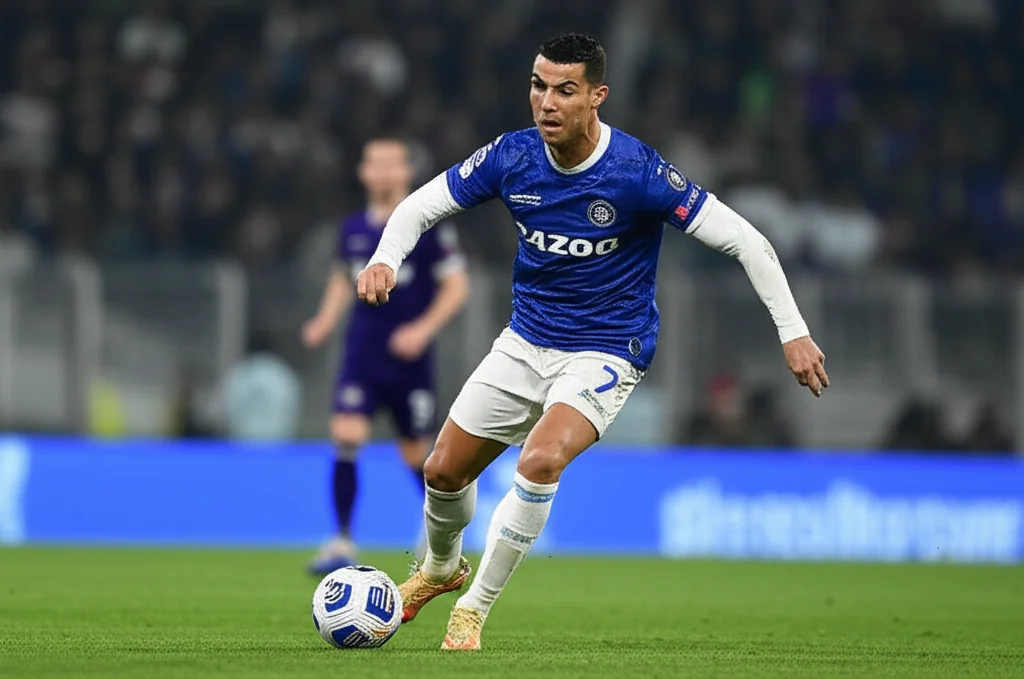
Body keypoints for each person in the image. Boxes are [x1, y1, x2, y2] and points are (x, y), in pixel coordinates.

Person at [357, 34, 829, 650]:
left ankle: (472, 610)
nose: (545, 102)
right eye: (538, 85)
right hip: (525, 341)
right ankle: (442, 569)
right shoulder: (512, 157)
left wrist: (793, 332)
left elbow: (747, 241)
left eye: (564, 90)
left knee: (541, 459)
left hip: (607, 348)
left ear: (597, 97)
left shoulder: (637, 173)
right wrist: (385, 259)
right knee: (442, 472)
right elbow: (420, 207)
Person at [302, 136, 469, 575]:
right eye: (373, 163)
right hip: (363, 352)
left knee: (416, 454)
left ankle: (439, 534)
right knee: (346, 434)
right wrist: (324, 320)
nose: (381, 171)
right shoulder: (353, 229)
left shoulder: (427, 225)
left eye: (389, 163)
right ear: (363, 172)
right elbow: (343, 279)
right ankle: (340, 539)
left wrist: (422, 329)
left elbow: (457, 286)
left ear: (404, 172)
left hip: (410, 361)